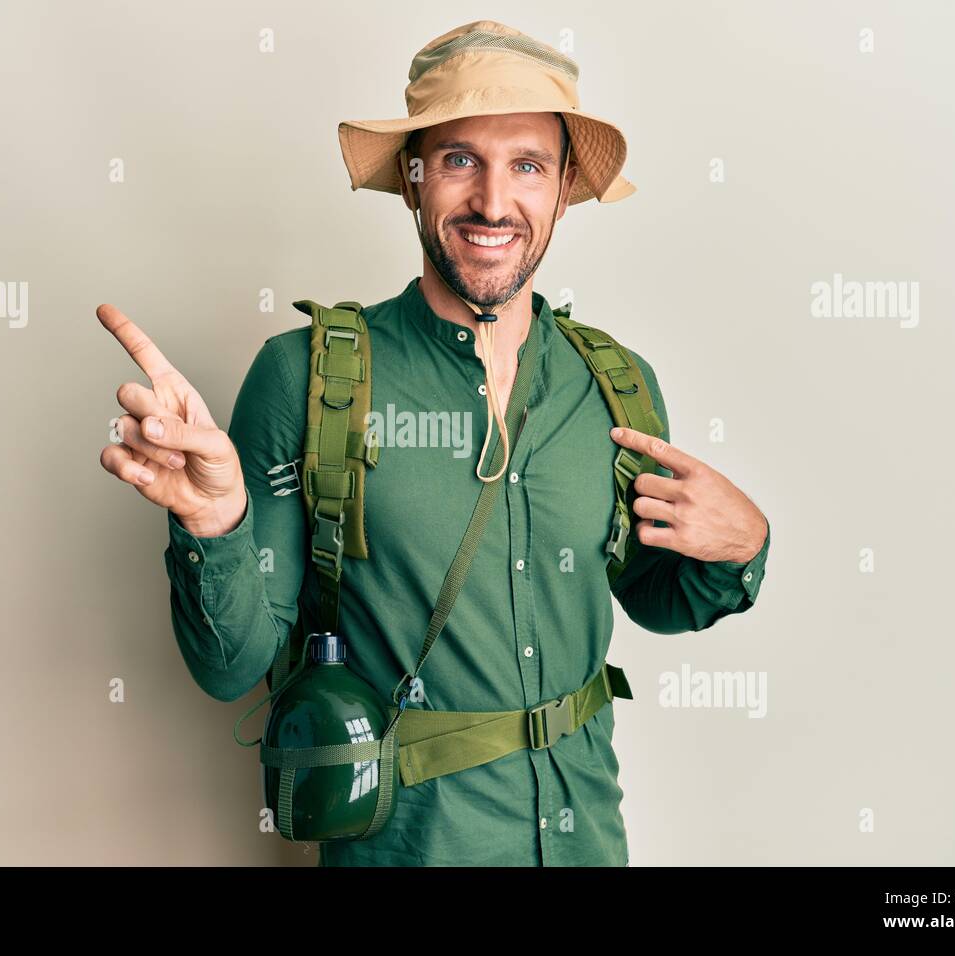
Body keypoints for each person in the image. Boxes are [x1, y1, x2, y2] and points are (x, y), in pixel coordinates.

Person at [97, 20, 771, 866]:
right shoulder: (305, 377)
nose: (494, 201)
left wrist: (743, 550)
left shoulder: (617, 385)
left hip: (587, 840)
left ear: (563, 189)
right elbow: (231, 669)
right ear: (413, 181)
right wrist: (215, 529)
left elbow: (655, 598)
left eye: (527, 164)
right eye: (460, 160)